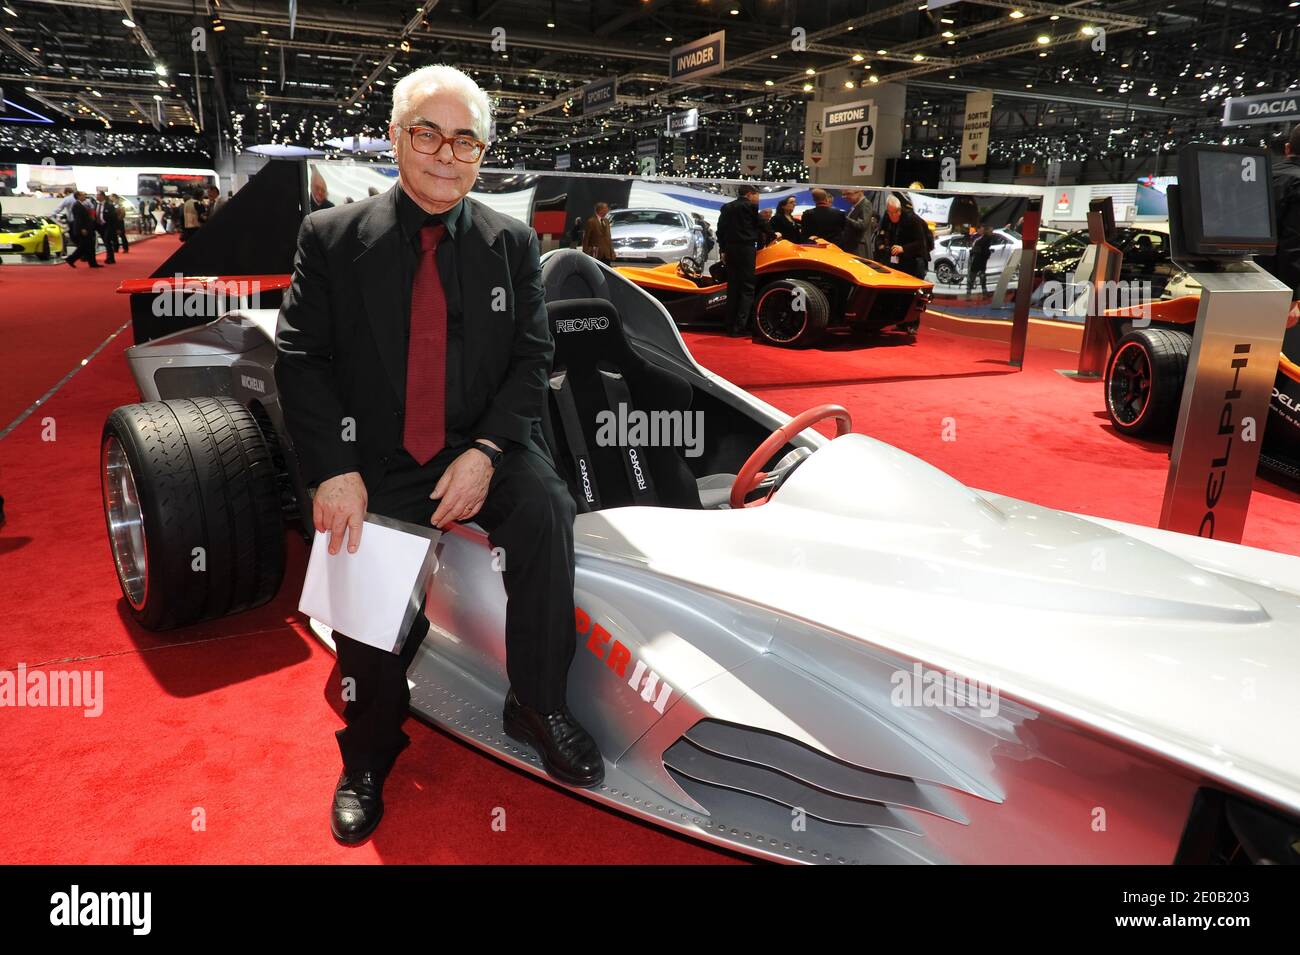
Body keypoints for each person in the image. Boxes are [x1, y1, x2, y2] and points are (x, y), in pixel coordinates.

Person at [276, 63, 602, 846]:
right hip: (373, 457)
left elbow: (532, 359)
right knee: (362, 583)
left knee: (547, 509)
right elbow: (300, 357)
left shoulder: (510, 243)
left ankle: (536, 701)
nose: (446, 154)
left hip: (479, 443)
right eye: (428, 134)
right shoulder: (330, 237)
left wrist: (489, 449)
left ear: (482, 151)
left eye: (465, 140)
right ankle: (368, 753)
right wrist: (334, 469)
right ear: (396, 138)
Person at [716, 183, 769, 337]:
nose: (758, 198)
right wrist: (773, 234)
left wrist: (723, 249)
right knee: (747, 288)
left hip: (731, 249)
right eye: (757, 195)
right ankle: (741, 326)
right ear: (750, 194)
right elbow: (760, 225)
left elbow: (721, 230)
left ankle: (729, 325)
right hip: (746, 249)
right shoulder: (750, 207)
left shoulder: (727, 207)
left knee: (733, 287)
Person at [1260, 123, 1300, 300]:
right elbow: (1293, 244)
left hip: (1245, 277)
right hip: (1284, 289)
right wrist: (1290, 295)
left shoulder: (1260, 173)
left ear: (1287, 148)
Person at [878, 194, 930, 280]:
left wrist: (903, 248)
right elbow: (881, 233)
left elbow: (921, 243)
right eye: (890, 213)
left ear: (900, 210)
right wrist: (881, 244)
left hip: (914, 261)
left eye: (895, 212)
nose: (893, 216)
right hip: (896, 260)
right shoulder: (887, 216)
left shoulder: (912, 219)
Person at [64, 192, 98, 268]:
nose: (85, 196)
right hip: (83, 229)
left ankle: (92, 263)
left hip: (86, 229)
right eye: (83, 195)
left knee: (88, 247)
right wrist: (82, 229)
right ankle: (71, 259)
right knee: (84, 247)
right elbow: (78, 219)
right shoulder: (77, 206)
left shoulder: (80, 204)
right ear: (78, 196)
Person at [838, 188, 872, 256]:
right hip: (853, 246)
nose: (845, 197)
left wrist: (845, 218)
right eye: (843, 194)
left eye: (848, 194)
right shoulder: (855, 205)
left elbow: (862, 225)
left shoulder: (865, 204)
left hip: (859, 248)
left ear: (860, 192)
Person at [967, 224, 994, 296]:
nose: (992, 233)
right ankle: (972, 293)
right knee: (978, 277)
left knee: (977, 277)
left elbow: (977, 250)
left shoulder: (984, 239)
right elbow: (980, 250)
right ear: (987, 231)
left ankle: (969, 293)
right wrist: (988, 252)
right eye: (991, 231)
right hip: (978, 261)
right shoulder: (983, 239)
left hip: (979, 260)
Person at [94, 190, 117, 264]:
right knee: (105, 242)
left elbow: (114, 218)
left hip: (107, 226)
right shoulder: (95, 205)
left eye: (98, 195)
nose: (96, 196)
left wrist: (115, 228)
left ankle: (110, 258)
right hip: (99, 226)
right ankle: (110, 257)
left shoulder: (109, 206)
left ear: (102, 196)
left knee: (107, 241)